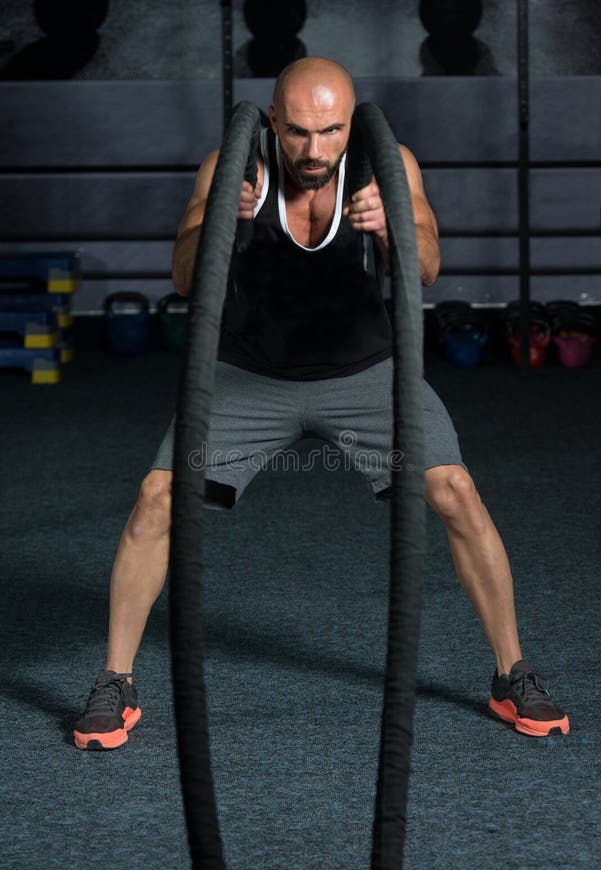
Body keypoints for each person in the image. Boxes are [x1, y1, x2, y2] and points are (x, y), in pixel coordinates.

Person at [74, 57, 569, 750]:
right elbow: (185, 278)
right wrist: (218, 224)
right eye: (300, 132)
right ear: (274, 121)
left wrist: (393, 226)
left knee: (456, 490)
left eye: (330, 131)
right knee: (156, 501)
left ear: (349, 122)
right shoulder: (232, 166)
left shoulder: (385, 162)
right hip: (249, 376)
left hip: (363, 374)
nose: (314, 151)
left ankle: (510, 672)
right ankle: (114, 681)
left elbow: (426, 263)